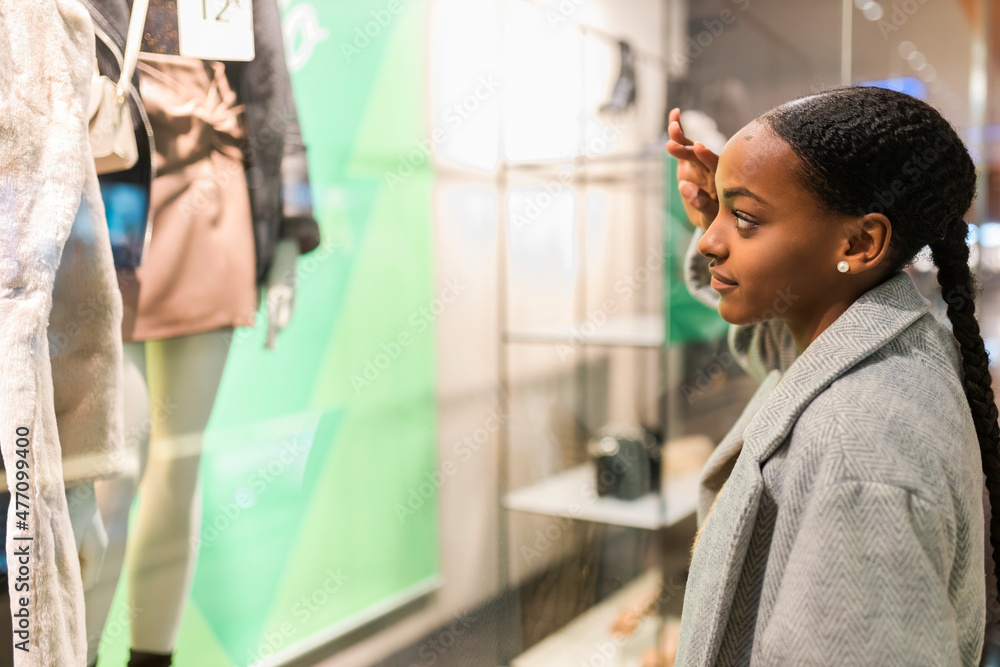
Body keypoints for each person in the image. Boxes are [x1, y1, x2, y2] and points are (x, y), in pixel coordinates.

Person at [665, 87, 996, 665]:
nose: (713, 241)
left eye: (743, 218)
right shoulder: (877, 329)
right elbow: (781, 350)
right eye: (719, 211)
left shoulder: (858, 450)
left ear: (861, 242)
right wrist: (721, 211)